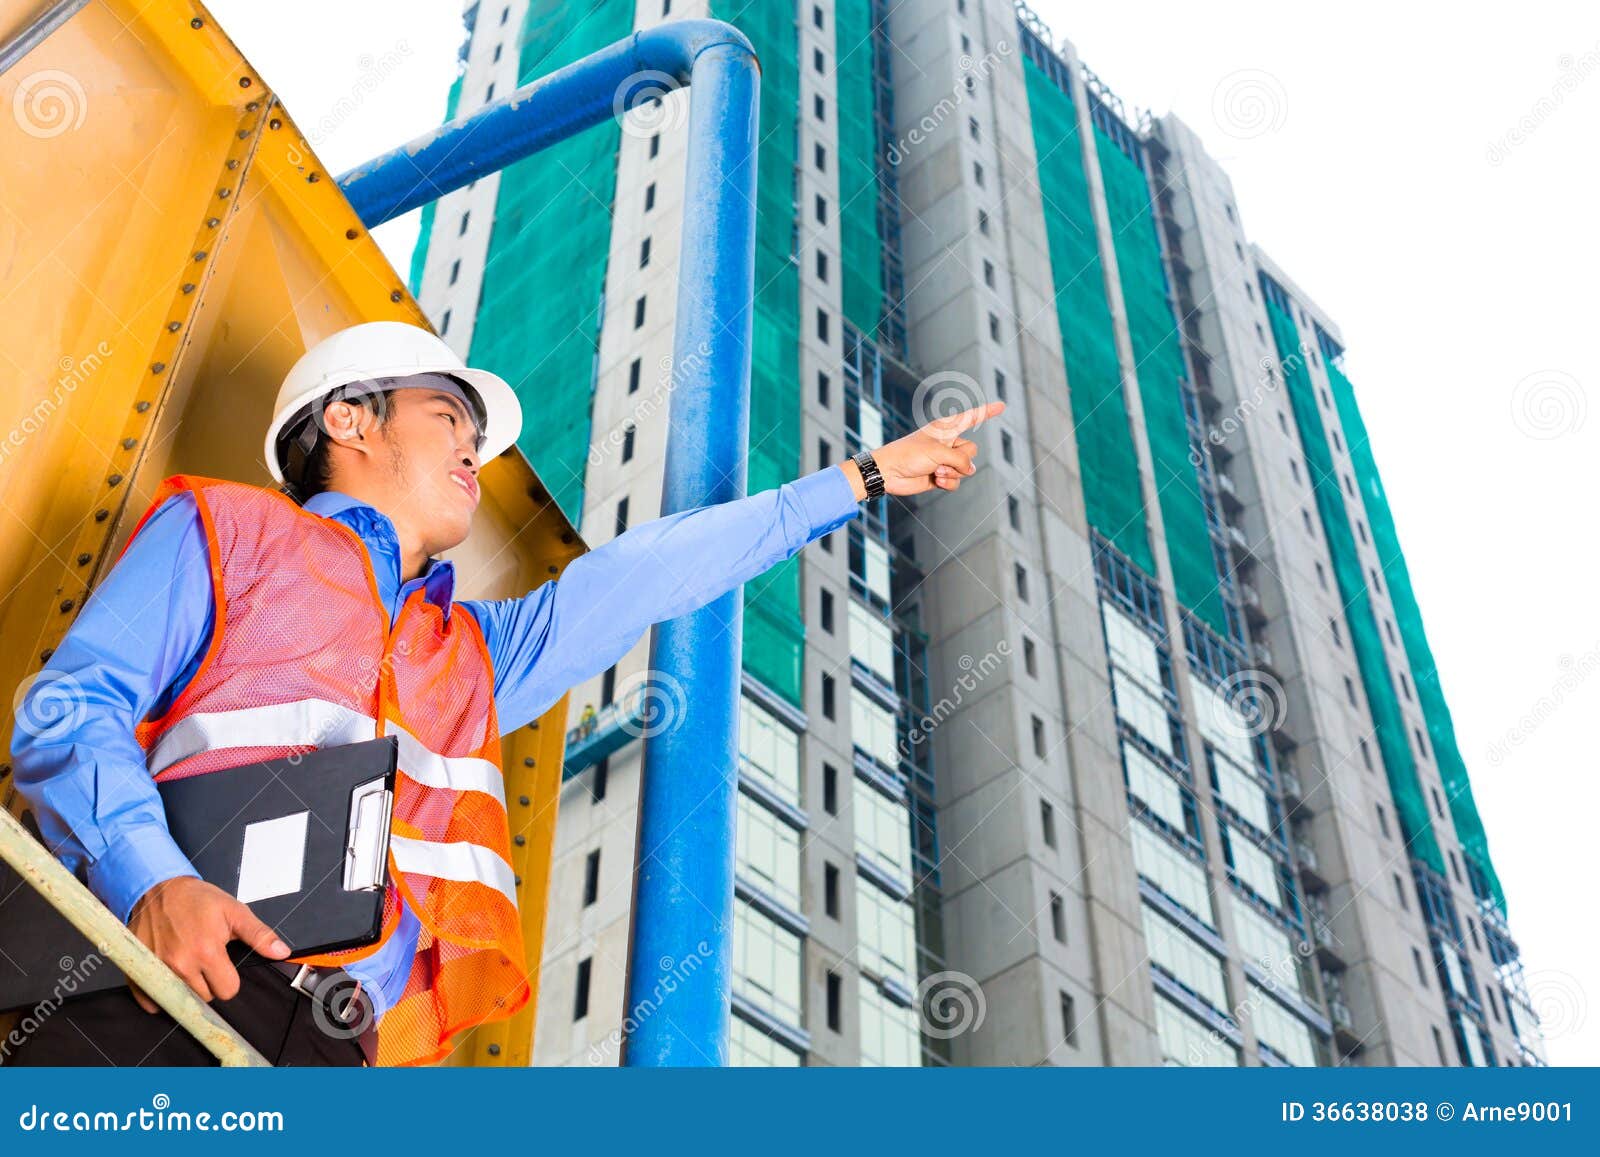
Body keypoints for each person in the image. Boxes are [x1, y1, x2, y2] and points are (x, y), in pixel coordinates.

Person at [5, 320, 1002, 1067]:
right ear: (349, 417)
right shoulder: (233, 534)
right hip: (149, 982)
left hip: (325, 1045)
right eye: (448, 417)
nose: (471, 449)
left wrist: (860, 478)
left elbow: (646, 574)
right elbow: (70, 705)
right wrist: (149, 880)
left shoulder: (474, 652)